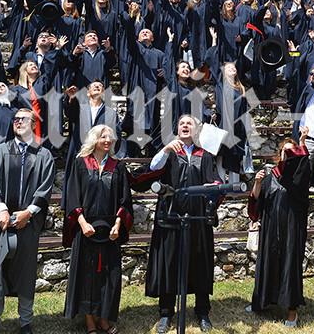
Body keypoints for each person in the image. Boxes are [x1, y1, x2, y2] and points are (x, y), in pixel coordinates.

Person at [137, 115, 220, 333]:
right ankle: (166, 313)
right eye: (181, 123)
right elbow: (152, 170)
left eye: (189, 123)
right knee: (169, 262)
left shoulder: (206, 155)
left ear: (196, 130)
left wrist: (211, 189)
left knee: (200, 262)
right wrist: (165, 150)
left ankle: (202, 311)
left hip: (198, 218)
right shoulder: (169, 152)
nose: (185, 126)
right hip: (171, 217)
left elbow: (215, 182)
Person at [0, 108, 55, 334]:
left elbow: (45, 189)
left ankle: (25, 323)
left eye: (23, 119)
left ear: (34, 123)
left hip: (27, 223)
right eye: (16, 119)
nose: (18, 122)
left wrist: (28, 212)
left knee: (26, 272)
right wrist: (0, 210)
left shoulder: (44, 155)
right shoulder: (0, 150)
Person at [62, 124, 134, 334]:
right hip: (86, 229)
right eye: (103, 136)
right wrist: (82, 223)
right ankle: (90, 322)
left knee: (109, 277)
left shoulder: (117, 167)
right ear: (95, 139)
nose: (108, 140)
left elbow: (124, 200)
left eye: (110, 137)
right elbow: (73, 195)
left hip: (110, 230)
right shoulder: (80, 164)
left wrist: (118, 225)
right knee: (87, 275)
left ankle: (104, 319)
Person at [248, 129, 312, 327]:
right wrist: (257, 183)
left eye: (292, 151)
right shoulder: (270, 176)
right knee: (267, 263)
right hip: (270, 228)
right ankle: (261, 302)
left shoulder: (299, 179)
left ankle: (292, 311)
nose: (288, 154)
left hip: (291, 230)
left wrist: (302, 142)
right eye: (285, 151)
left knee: (289, 266)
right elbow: (256, 201)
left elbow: (304, 165)